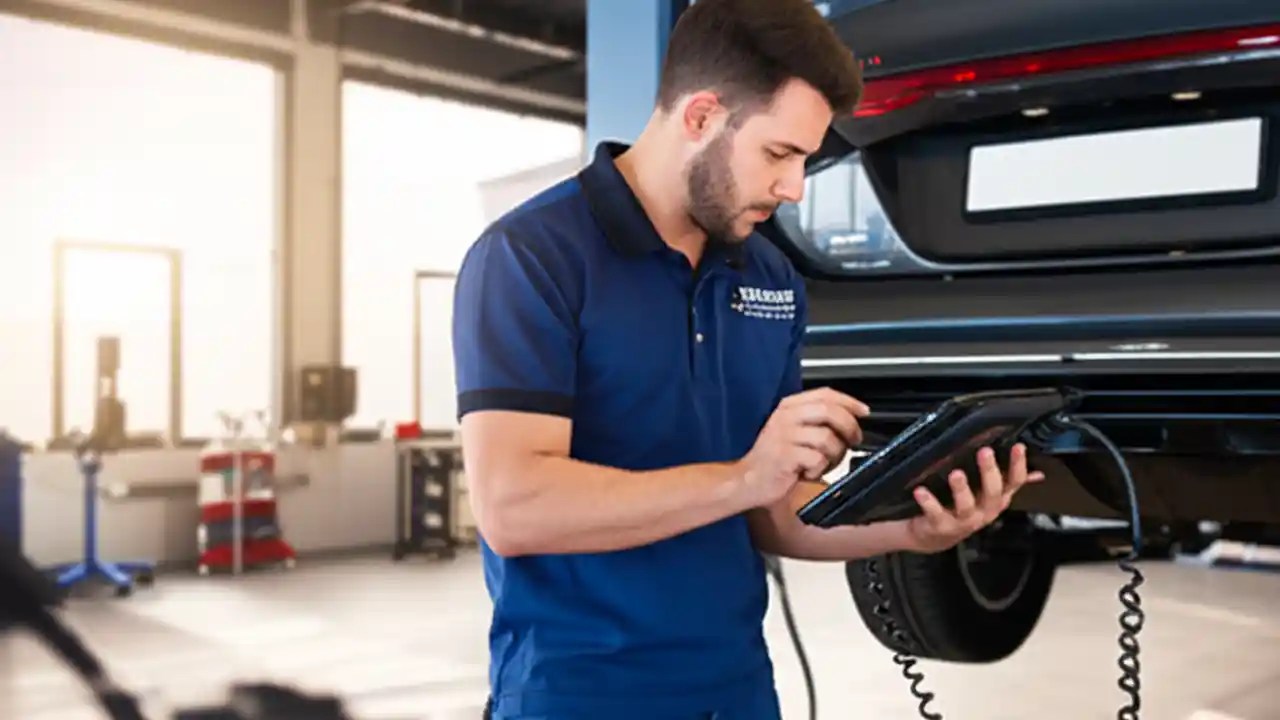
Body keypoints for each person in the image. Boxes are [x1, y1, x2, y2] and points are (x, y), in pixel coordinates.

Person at [452, 1, 1045, 717]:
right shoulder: (530, 258)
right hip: (580, 693)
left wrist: (914, 532)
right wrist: (742, 477)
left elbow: (774, 513)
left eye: (806, 160)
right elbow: (514, 506)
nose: (795, 188)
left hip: (737, 689)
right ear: (701, 117)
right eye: (779, 154)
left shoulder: (770, 280)